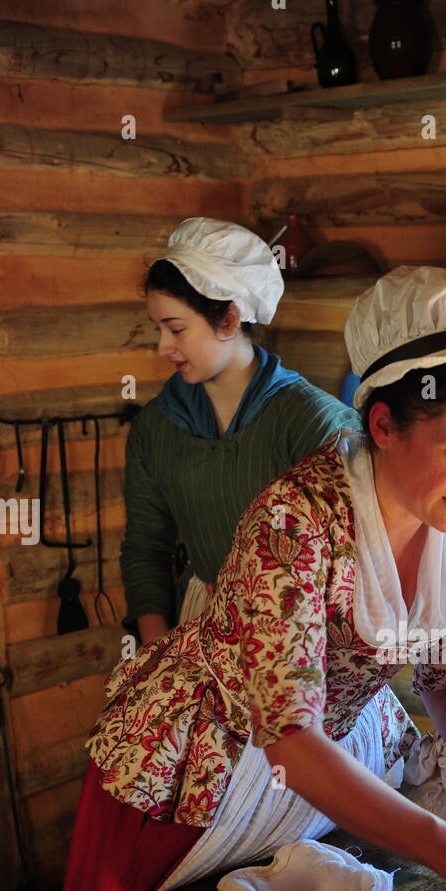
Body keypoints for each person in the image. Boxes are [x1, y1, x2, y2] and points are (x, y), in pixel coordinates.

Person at [59, 265, 446, 891]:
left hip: (306, 770)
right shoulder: (295, 521)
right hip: (196, 768)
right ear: (382, 424)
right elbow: (290, 739)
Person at [122, 217, 359, 639]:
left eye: (176, 329)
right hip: (200, 623)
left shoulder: (314, 423)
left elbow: (355, 562)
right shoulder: (157, 427)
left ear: (229, 320)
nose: (163, 347)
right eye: (158, 329)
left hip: (301, 636)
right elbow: (146, 548)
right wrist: (158, 656)